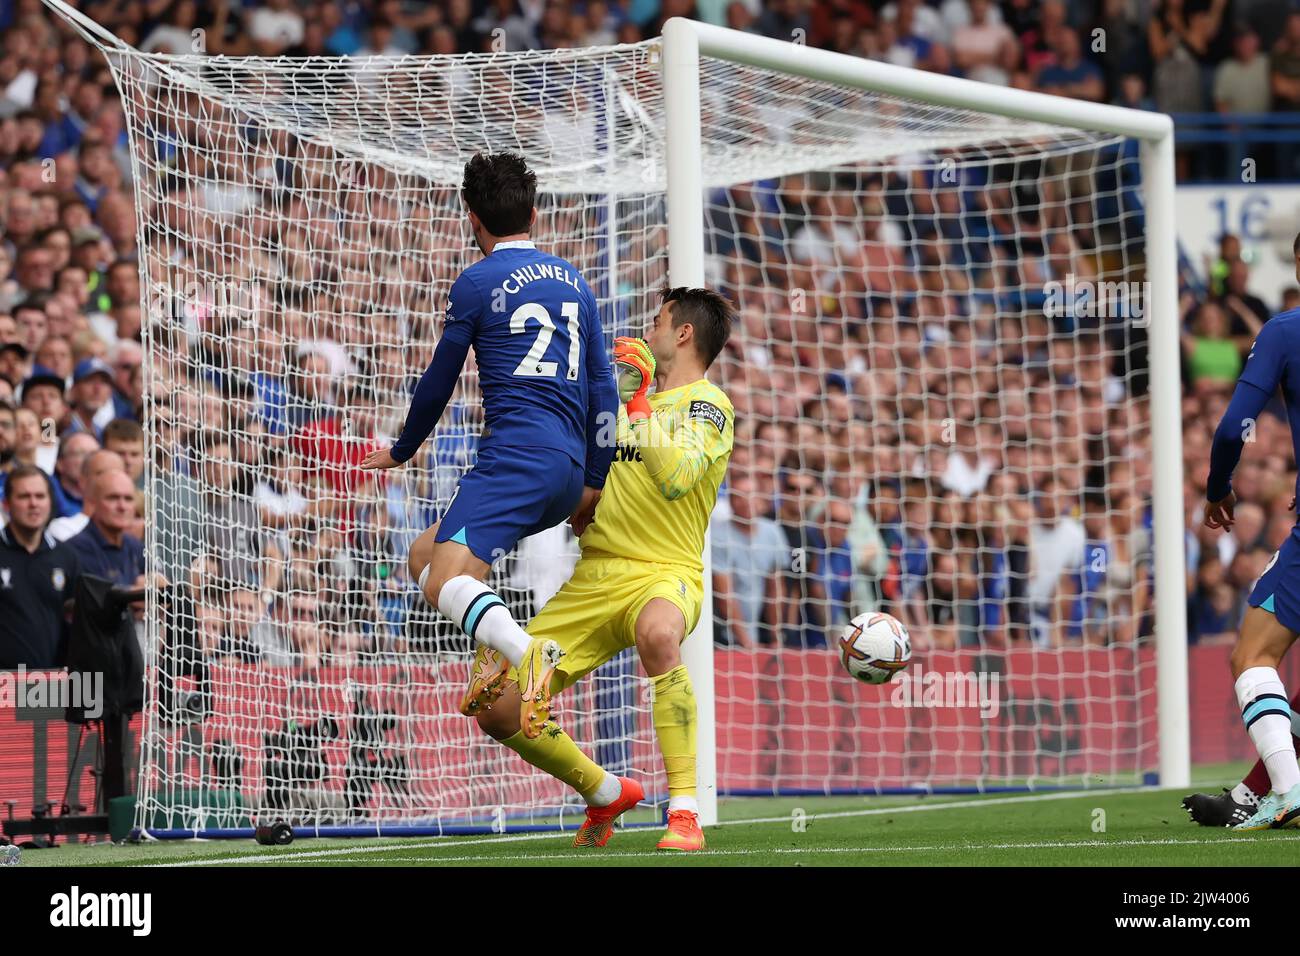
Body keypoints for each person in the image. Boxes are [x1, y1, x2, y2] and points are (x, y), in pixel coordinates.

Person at [465, 286, 735, 853]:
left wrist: (637, 407)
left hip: (666, 572)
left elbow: (678, 476)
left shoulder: (708, 405)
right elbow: (591, 492)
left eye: (659, 319)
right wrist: (580, 508)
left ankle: (684, 812)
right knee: (497, 710)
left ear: (683, 333)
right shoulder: (617, 405)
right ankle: (606, 790)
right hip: (596, 577)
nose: (649, 328)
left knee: (659, 633)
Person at [360, 151, 617, 733]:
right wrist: (594, 482)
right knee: (423, 559)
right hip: (567, 471)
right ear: (535, 213)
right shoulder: (575, 282)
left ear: (471, 217)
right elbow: (603, 387)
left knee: (449, 580)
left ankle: (529, 656)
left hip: (516, 461)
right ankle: (493, 652)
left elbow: (439, 379)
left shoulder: (476, 282)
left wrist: (404, 448)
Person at [1201, 230, 1300, 829]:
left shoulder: (1287, 329)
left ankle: (1287, 790)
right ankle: (1253, 791)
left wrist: (1218, 488)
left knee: (1253, 655)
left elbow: (1232, 426)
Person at [0, 464, 79, 668]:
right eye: (24, 496)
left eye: (40, 496)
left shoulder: (66, 557)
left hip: (51, 685)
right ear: (6, 504)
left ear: (50, 502)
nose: (33, 503)